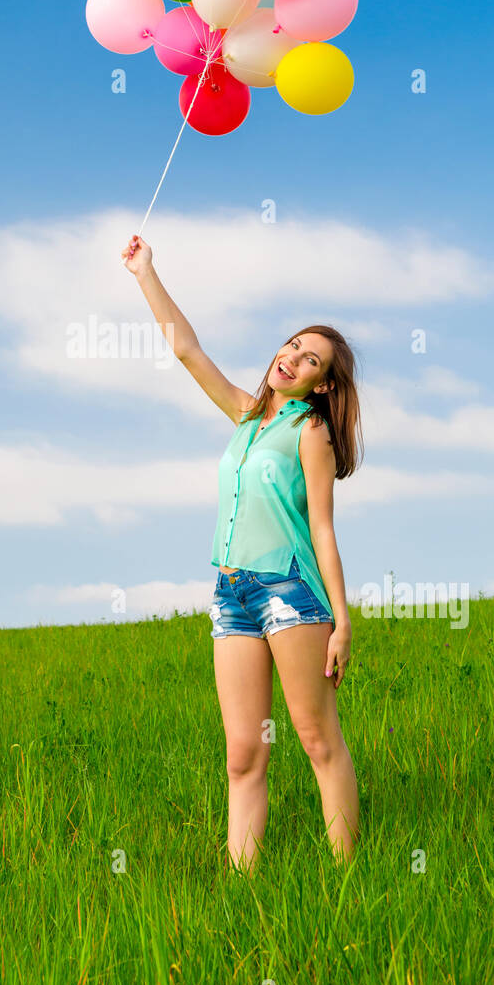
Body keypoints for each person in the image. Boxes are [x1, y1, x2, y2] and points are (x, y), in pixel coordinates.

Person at [121, 232, 362, 871]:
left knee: (316, 739)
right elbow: (185, 348)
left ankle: (347, 878)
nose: (293, 357)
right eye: (293, 345)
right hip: (230, 593)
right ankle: (243, 887)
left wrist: (341, 621)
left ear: (321, 386)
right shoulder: (247, 418)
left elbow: (323, 531)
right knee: (242, 752)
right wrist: (147, 272)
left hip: (289, 591)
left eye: (311, 360)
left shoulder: (310, 432)